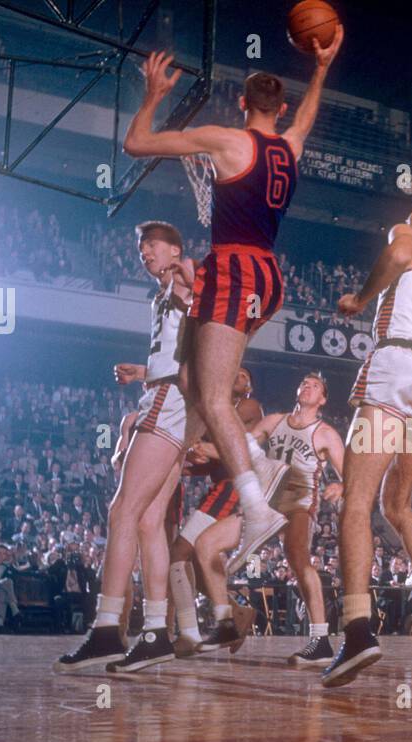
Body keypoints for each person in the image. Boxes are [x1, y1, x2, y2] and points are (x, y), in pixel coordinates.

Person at [124, 33, 343, 582]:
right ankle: (251, 467)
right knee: (197, 386)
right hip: (270, 275)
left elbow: (137, 143)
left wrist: (152, 93)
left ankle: (254, 501)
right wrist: (321, 68)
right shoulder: (290, 147)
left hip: (233, 266)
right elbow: (309, 118)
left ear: (243, 105)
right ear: (282, 107)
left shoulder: (225, 140)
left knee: (215, 396)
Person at [323, 192, 412, 687]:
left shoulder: (409, 234)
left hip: (398, 366)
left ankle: (358, 631)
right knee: (398, 506)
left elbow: (398, 254)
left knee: (356, 501)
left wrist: (361, 299)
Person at [55, 221, 198, 672]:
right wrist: (144, 371)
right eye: (141, 250)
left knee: (122, 512)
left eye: (152, 246)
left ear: (173, 249)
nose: (144, 254)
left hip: (170, 398)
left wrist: (185, 270)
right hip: (172, 392)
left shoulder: (181, 276)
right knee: (151, 520)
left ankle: (107, 628)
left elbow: (197, 286)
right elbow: (180, 343)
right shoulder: (161, 293)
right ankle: (156, 631)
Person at [189, 374, 344, 667]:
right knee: (205, 545)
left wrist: (341, 486)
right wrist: (204, 449)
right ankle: (225, 622)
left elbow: (348, 472)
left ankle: (321, 640)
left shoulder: (325, 433)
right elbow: (240, 446)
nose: (308, 387)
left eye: (316, 386)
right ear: (297, 391)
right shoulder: (275, 421)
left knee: (298, 560)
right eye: (304, 383)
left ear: (322, 399)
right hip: (262, 500)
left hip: (298, 501)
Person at [168, 367, 264, 654]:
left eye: (246, 374)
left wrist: (201, 447)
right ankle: (235, 611)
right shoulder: (214, 409)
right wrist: (193, 458)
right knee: (198, 561)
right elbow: (210, 458)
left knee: (178, 553)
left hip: (236, 485)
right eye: (236, 370)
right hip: (223, 485)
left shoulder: (248, 406)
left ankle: (189, 631)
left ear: (249, 388)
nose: (239, 374)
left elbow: (237, 449)